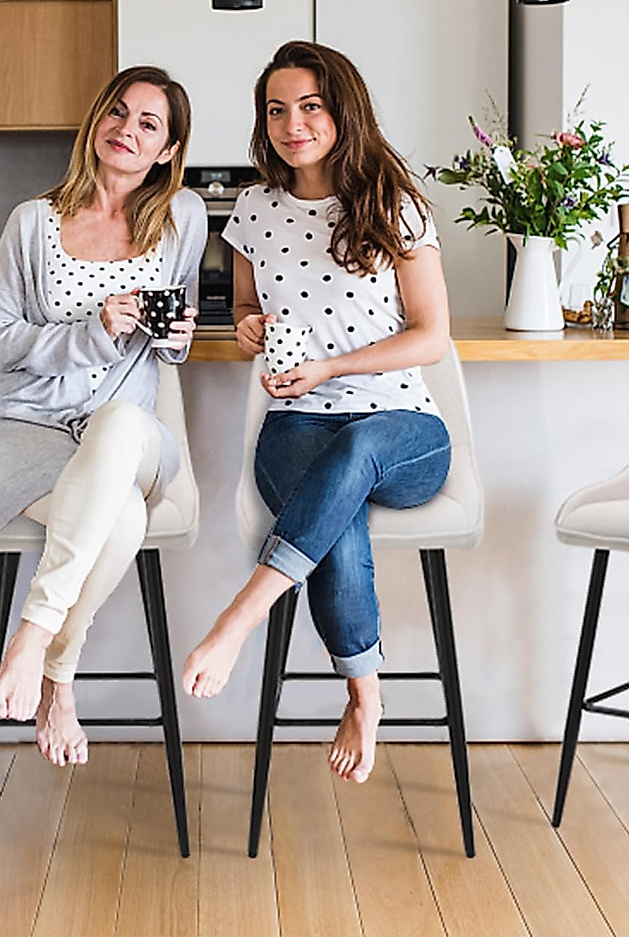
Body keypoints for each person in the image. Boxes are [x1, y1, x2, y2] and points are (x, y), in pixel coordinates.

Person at [182, 40, 452, 784]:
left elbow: (432, 336)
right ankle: (367, 695)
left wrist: (333, 366)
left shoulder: (393, 203)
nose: (291, 123)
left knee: (357, 453)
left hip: (404, 430)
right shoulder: (254, 210)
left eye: (309, 106)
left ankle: (241, 617)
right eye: (276, 109)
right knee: (338, 513)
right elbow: (243, 308)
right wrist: (246, 328)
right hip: (297, 426)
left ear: (342, 110)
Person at [0, 65, 206, 767]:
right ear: (96, 122)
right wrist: (95, 330)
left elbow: (181, 342)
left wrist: (174, 336)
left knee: (117, 425)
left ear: (168, 149)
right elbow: (0, 340)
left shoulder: (182, 218)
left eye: (148, 124)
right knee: (123, 519)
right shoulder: (31, 222)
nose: (126, 131)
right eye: (117, 113)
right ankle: (60, 680)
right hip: (27, 429)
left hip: (126, 434)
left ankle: (28, 638)